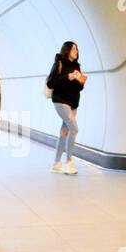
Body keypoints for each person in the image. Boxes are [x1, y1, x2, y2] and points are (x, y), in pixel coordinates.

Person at [45, 41, 86, 174]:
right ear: (67, 50)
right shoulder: (59, 63)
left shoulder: (77, 66)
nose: (76, 52)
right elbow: (51, 83)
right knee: (74, 129)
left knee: (64, 132)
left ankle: (56, 164)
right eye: (74, 49)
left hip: (73, 102)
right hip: (60, 101)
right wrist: (67, 77)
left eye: (77, 49)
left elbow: (79, 88)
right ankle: (68, 162)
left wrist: (81, 81)